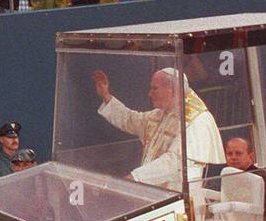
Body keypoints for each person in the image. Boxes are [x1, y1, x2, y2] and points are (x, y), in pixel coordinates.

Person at [94, 66, 223, 187]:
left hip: (178, 197)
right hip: (153, 192)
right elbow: (130, 119)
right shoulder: (161, 114)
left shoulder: (196, 121)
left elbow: (173, 162)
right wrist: (106, 96)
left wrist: (134, 178)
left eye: (154, 88)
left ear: (172, 90)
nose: (149, 94)